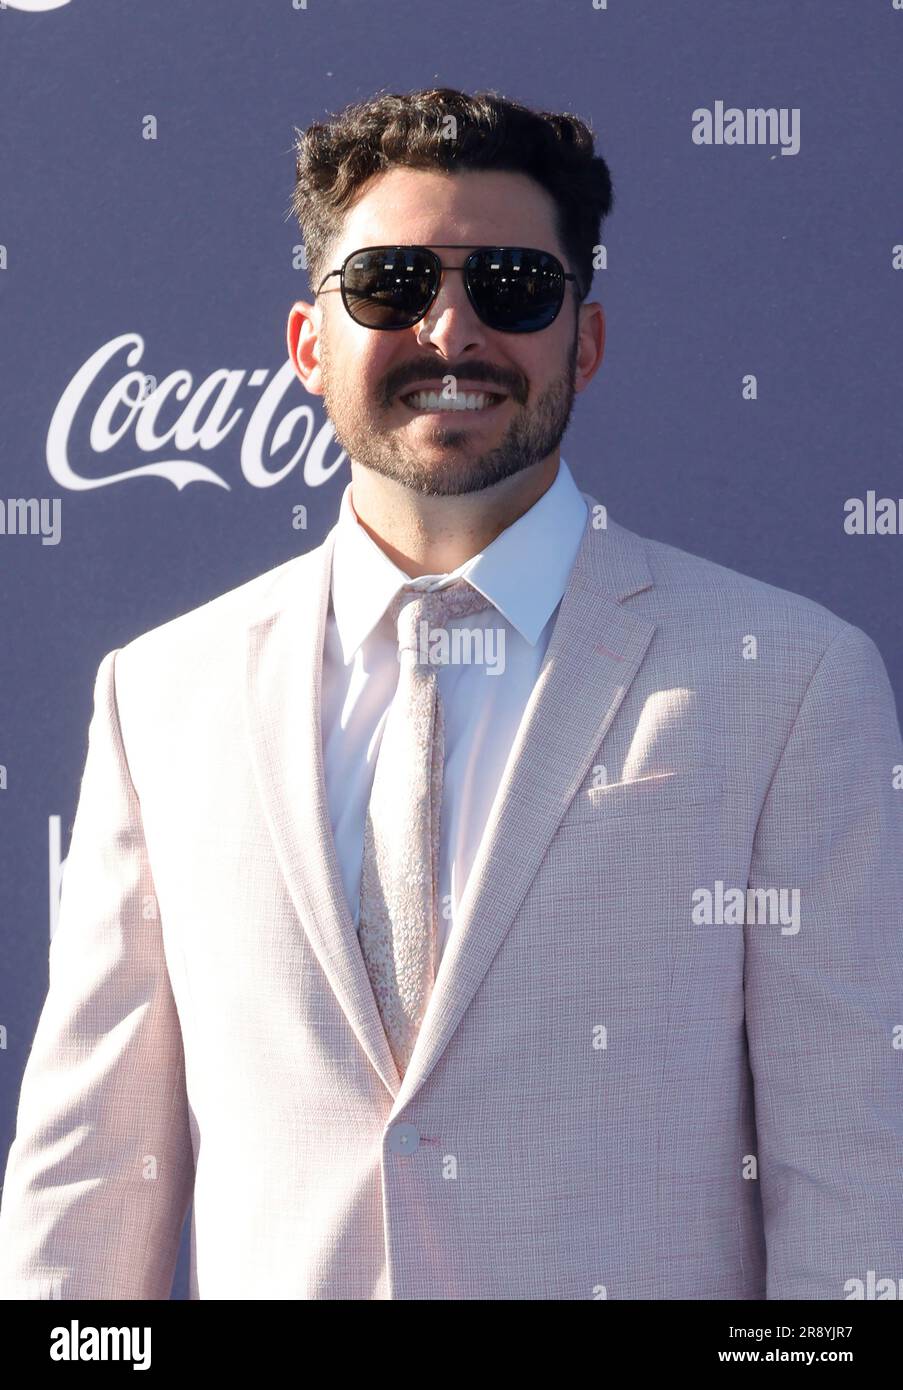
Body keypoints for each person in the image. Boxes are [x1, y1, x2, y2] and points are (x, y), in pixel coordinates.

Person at [1, 87, 901, 1301]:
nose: (450, 332)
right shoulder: (162, 693)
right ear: (310, 345)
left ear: (582, 340)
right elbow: (91, 1173)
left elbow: (855, 1172)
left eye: (513, 289)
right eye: (390, 284)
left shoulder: (785, 680)